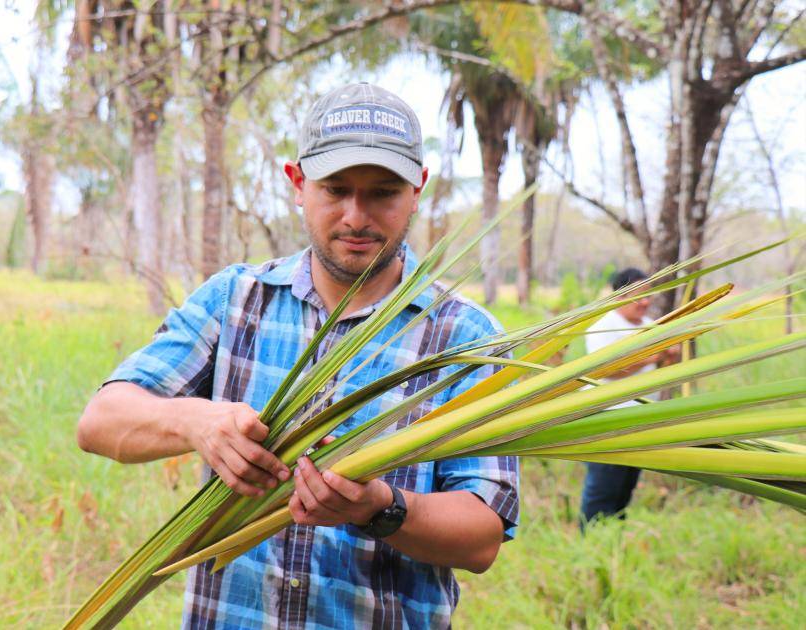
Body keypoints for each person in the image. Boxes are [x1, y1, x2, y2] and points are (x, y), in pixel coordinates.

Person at [76, 83, 519, 629]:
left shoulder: (466, 338)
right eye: (335, 189)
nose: (356, 216)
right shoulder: (235, 301)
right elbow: (100, 422)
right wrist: (196, 422)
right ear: (297, 182)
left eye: (383, 192)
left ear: (418, 189)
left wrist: (379, 507)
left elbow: (483, 536)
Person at [579, 268, 679, 526]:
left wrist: (670, 356)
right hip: (607, 419)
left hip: (639, 419)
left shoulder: (650, 328)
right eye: (638, 297)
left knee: (625, 487)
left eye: (648, 296)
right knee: (602, 485)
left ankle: (614, 539)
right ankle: (588, 538)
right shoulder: (602, 328)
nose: (645, 302)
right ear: (619, 298)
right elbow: (611, 370)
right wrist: (657, 353)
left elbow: (660, 373)